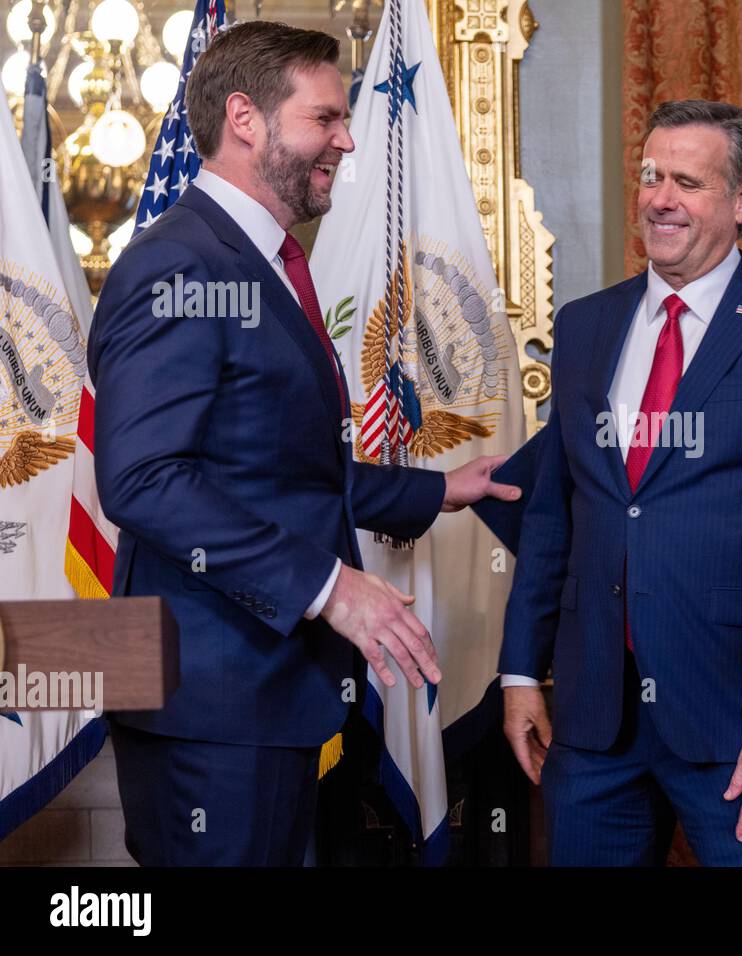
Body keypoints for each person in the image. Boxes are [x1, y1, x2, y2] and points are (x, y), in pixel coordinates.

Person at [87, 21, 519, 866]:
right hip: (206, 704)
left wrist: (436, 490)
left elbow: (274, 467)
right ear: (245, 118)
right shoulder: (181, 264)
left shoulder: (263, 259)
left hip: (261, 696)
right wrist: (330, 588)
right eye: (326, 118)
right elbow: (142, 479)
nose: (347, 139)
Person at [499, 99, 742, 866]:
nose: (660, 198)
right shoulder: (585, 326)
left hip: (740, 726)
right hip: (594, 725)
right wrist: (520, 670)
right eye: (650, 176)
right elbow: (553, 519)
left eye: (688, 183)